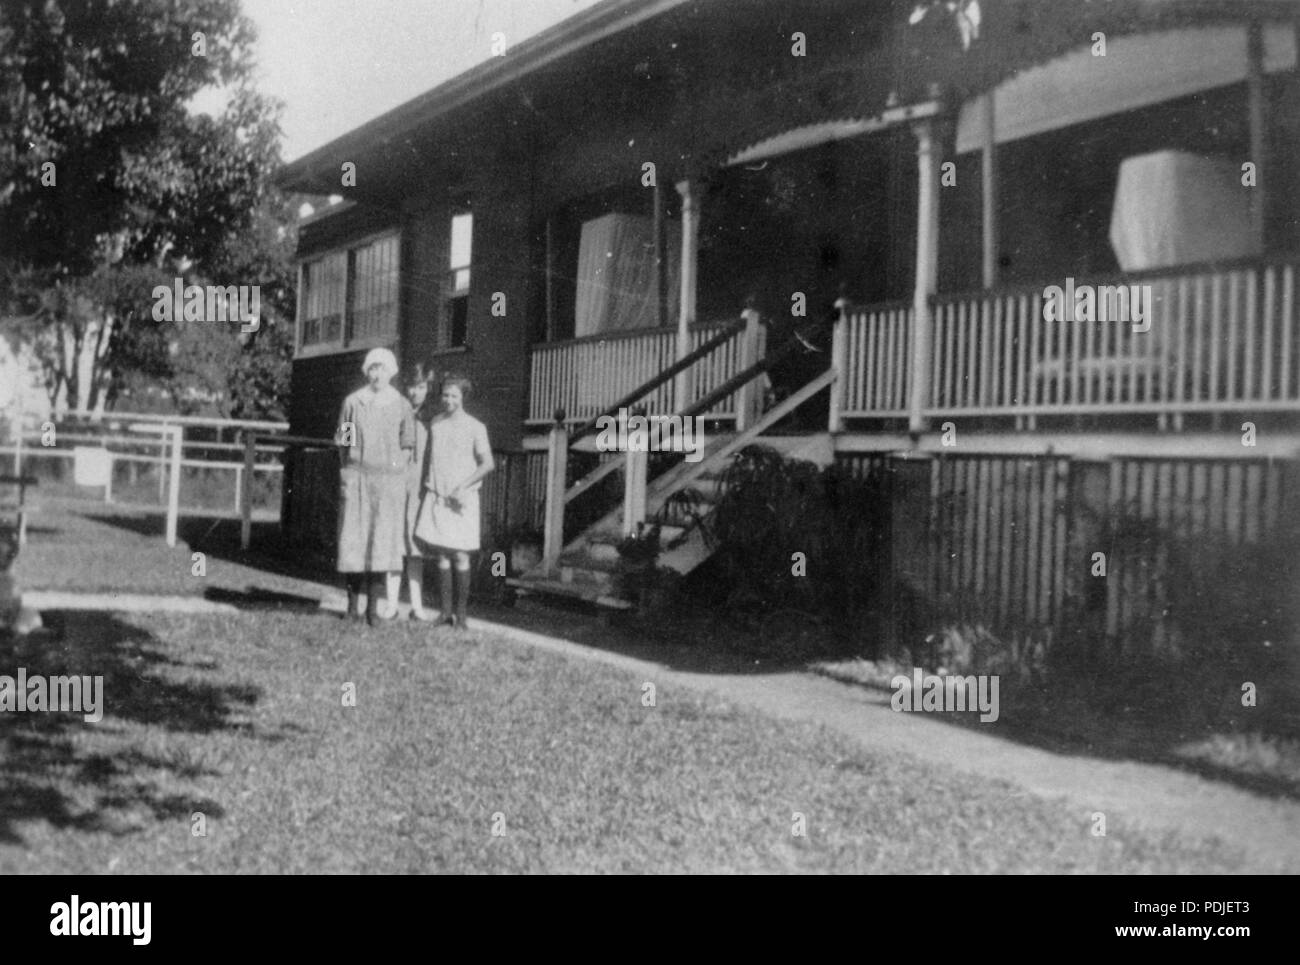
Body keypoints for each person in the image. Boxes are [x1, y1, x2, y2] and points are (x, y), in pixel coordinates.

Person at [335, 348, 416, 627]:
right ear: (366, 371)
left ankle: (372, 609)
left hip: (387, 484)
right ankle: (351, 607)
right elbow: (344, 443)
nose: (377, 374)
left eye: (382, 368)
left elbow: (407, 446)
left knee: (380, 546)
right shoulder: (353, 402)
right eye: (372, 368)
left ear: (391, 371)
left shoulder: (401, 404)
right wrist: (348, 473)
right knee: (353, 544)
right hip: (358, 479)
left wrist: (396, 474)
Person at [414, 375, 494, 630]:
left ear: (463, 398)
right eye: (446, 395)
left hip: (462, 499)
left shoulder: (475, 427)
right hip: (439, 495)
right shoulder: (436, 423)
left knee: (460, 554)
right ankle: (444, 612)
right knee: (441, 554)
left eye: (454, 396)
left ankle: (461, 616)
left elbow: (488, 463)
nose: (449, 400)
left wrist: (464, 485)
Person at [401, 363, 435, 621]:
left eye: (421, 387)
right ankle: (391, 603)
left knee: (415, 551)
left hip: (419, 490)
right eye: (412, 386)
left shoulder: (432, 419)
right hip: (396, 486)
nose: (415, 392)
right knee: (392, 547)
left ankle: (417, 605)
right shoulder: (396, 413)